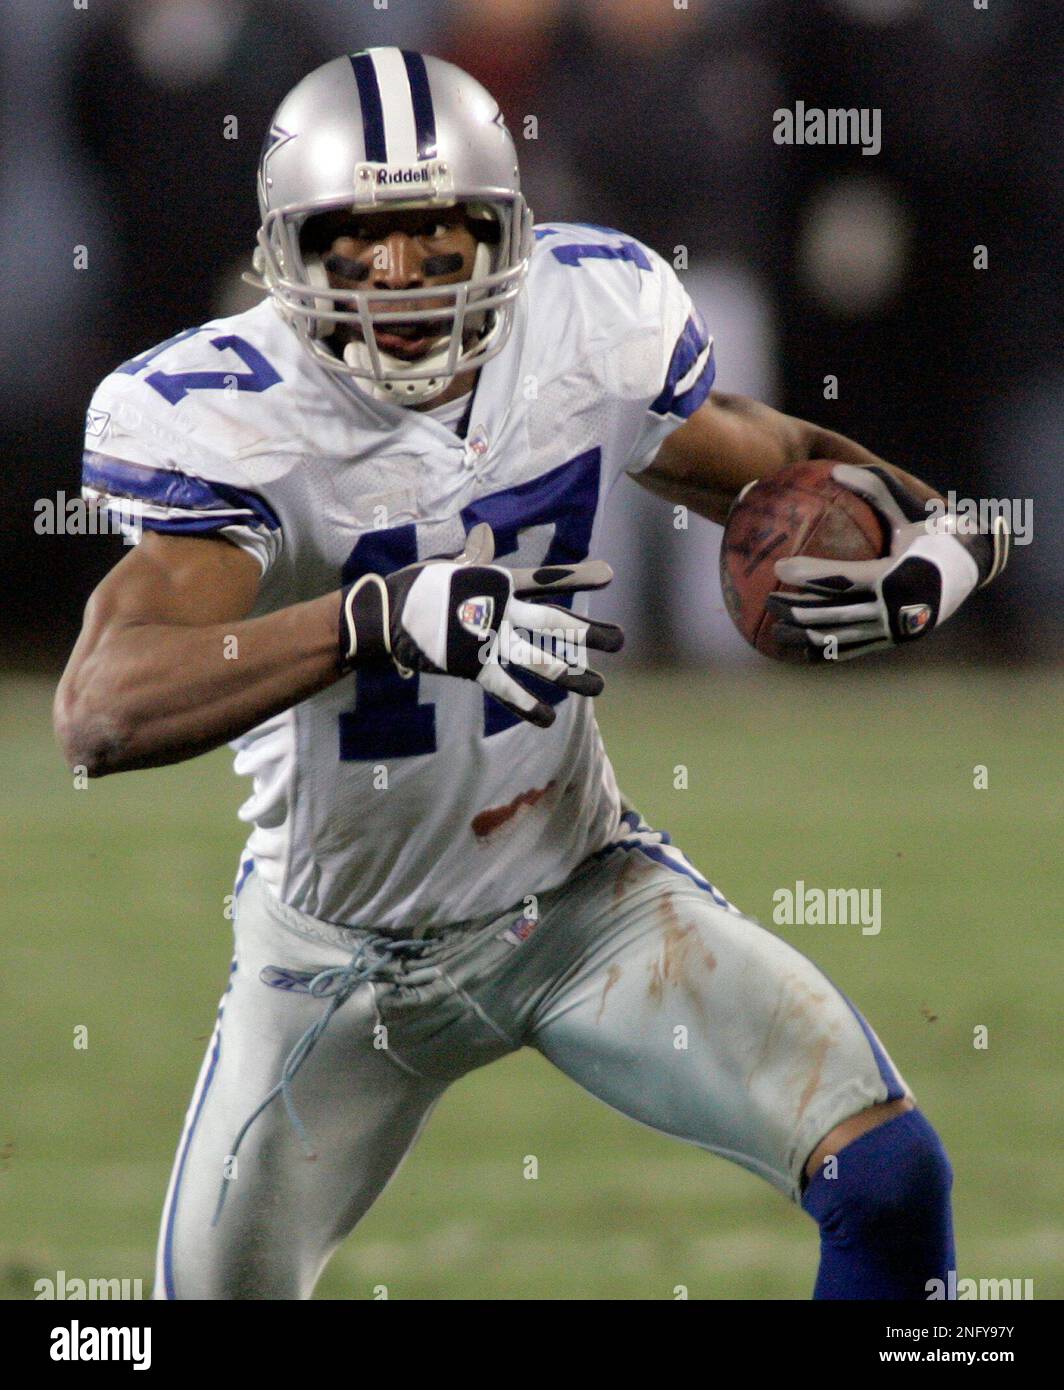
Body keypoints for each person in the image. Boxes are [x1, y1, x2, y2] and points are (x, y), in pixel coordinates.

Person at [55, 49, 1007, 1300]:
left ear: (502, 233)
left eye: (435, 241)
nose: (398, 278)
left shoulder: (582, 321)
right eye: (357, 242)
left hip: (575, 901)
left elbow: (783, 464)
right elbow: (100, 709)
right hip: (336, 968)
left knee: (886, 1178)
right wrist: (374, 617)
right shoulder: (234, 411)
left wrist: (933, 549)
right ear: (292, 251)